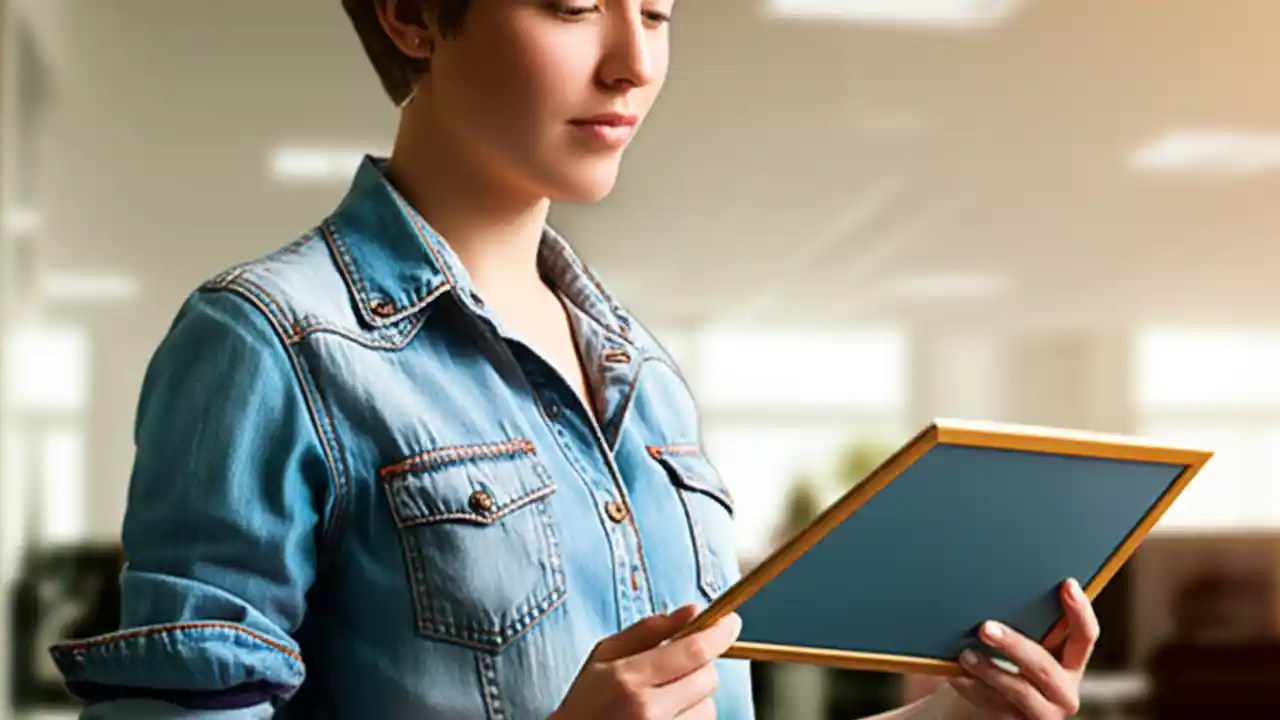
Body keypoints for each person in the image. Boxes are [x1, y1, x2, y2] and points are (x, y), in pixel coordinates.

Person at [47, 1, 1100, 717]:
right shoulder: (266, 341)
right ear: (411, 14)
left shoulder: (644, 373)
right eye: (572, 5)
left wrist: (958, 713)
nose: (633, 61)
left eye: (658, 12)